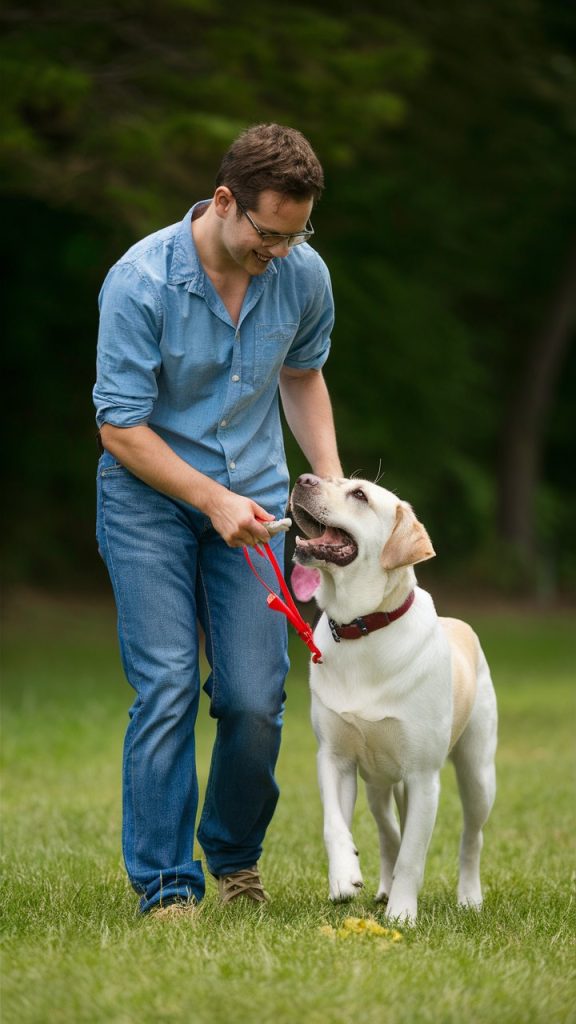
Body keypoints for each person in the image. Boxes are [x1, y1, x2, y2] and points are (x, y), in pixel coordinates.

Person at [94, 123, 342, 917]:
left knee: (252, 697)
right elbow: (121, 427)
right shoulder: (140, 282)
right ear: (225, 202)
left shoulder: (301, 273)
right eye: (267, 234)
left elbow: (302, 375)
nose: (279, 251)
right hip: (149, 503)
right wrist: (210, 498)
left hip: (259, 507)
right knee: (166, 683)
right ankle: (167, 887)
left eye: (295, 235)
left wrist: (334, 495)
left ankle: (235, 859)